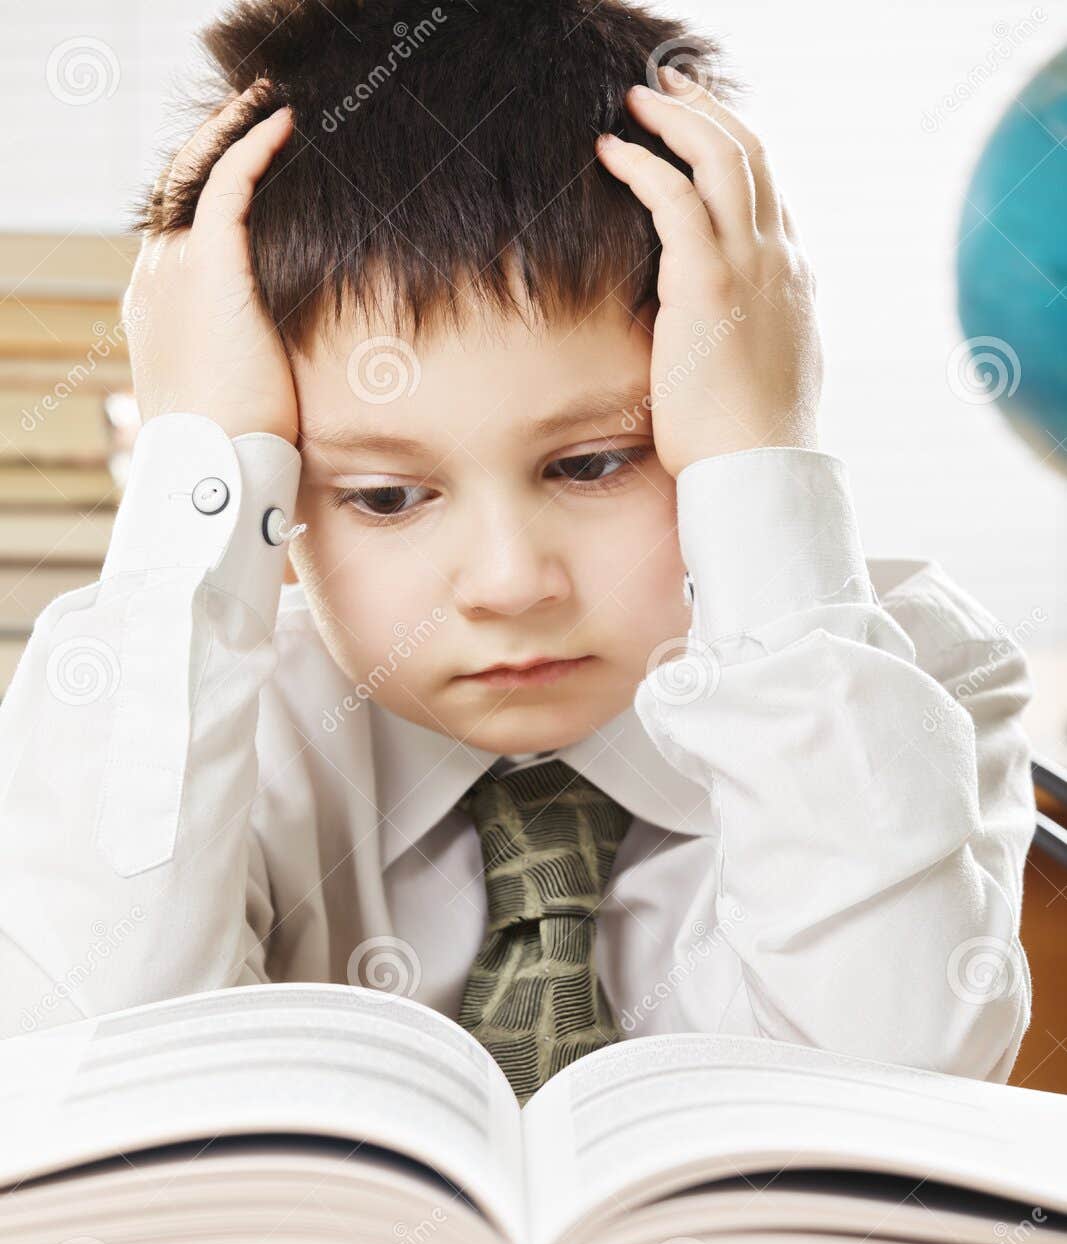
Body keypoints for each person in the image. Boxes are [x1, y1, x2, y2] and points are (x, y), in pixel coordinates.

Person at [0, 0, 1036, 1096]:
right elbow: (83, 1078)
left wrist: (757, 463)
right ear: (282, 492)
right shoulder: (198, 719)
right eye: (388, 495)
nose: (509, 583)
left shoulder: (896, 684)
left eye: (594, 464)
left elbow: (901, 1088)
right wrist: (197, 464)